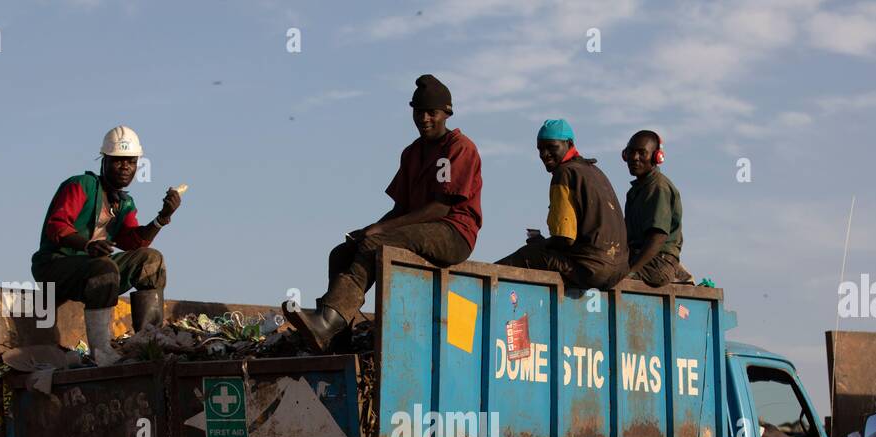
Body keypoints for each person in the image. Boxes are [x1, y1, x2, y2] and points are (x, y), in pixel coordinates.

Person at [285, 75, 482, 353]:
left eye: (431, 113)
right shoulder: (411, 153)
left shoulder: (459, 148)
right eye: (418, 112)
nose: (424, 118)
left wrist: (380, 232)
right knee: (341, 253)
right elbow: (401, 208)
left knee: (376, 243)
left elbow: (441, 206)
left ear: (446, 113)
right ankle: (334, 338)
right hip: (418, 230)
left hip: (453, 231)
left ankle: (329, 320)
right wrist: (372, 227)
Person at [31, 126, 182, 366]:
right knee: (105, 267)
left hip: (95, 271)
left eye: (131, 162)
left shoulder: (124, 202)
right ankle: (101, 351)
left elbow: (134, 241)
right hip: (55, 268)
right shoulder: (81, 185)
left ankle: (148, 339)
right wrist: (88, 245)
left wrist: (161, 218)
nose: (125, 167)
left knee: (151, 260)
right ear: (104, 161)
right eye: (118, 161)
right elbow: (56, 225)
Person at [496, 119, 628, 290]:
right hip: (618, 270)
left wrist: (541, 244)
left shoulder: (564, 173)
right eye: (540, 149)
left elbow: (565, 239)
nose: (544, 154)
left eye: (551, 147)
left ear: (569, 144)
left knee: (525, 256)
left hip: (591, 269)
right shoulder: (594, 171)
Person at [622, 130, 693, 286]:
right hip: (640, 258)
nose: (634, 158)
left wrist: (631, 271)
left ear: (656, 157)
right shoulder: (636, 191)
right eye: (631, 152)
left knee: (607, 275)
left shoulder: (658, 187)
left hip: (657, 264)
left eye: (642, 153)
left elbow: (657, 238)